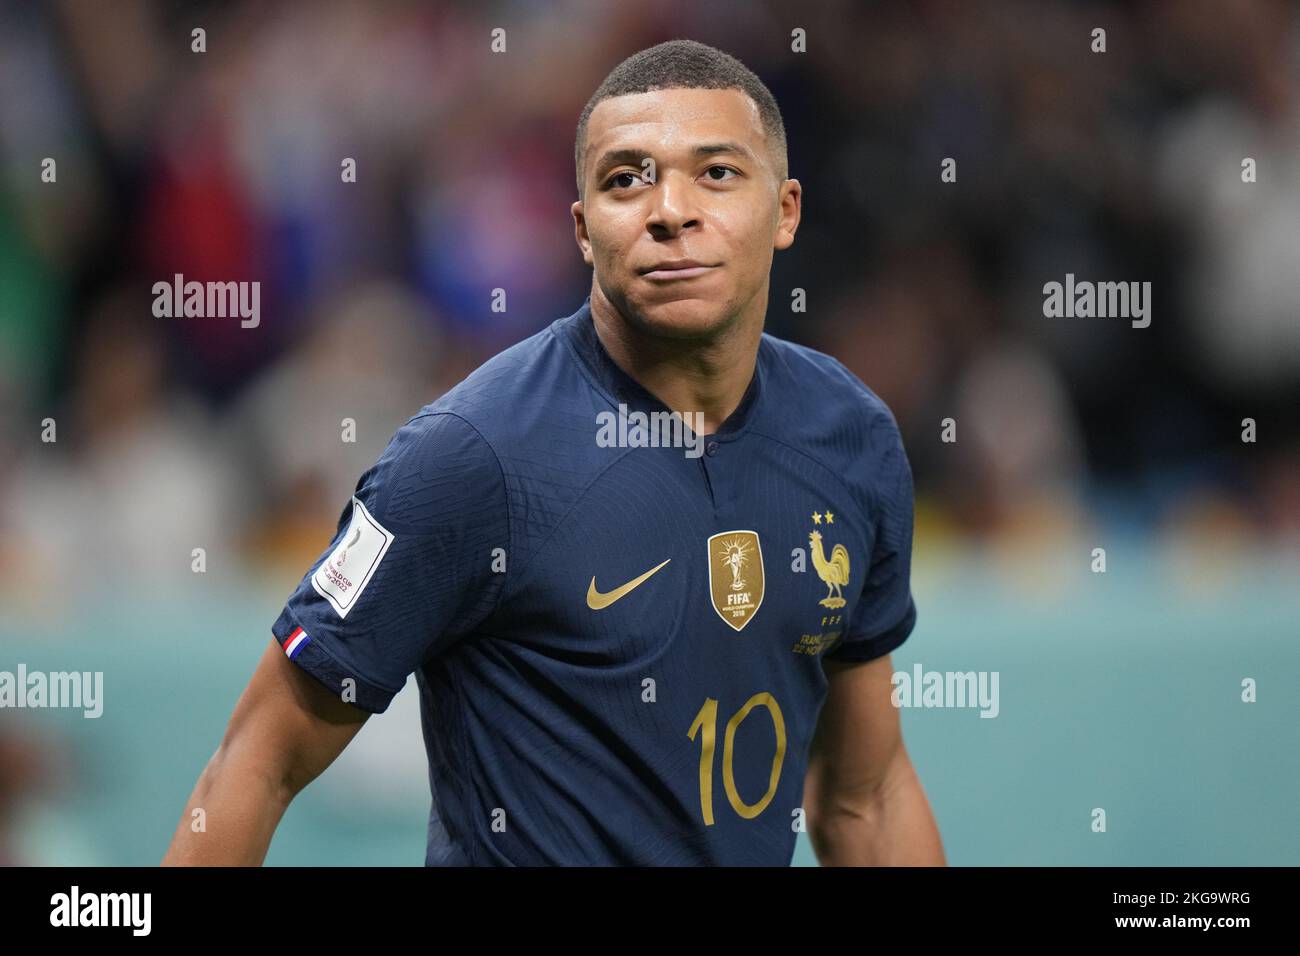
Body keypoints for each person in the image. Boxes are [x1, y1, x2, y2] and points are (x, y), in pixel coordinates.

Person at [164, 38, 944, 866]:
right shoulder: (470, 458)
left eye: (716, 173)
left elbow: (865, 793)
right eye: (624, 179)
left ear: (785, 210)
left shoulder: (850, 438)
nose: (669, 209)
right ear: (580, 229)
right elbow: (254, 766)